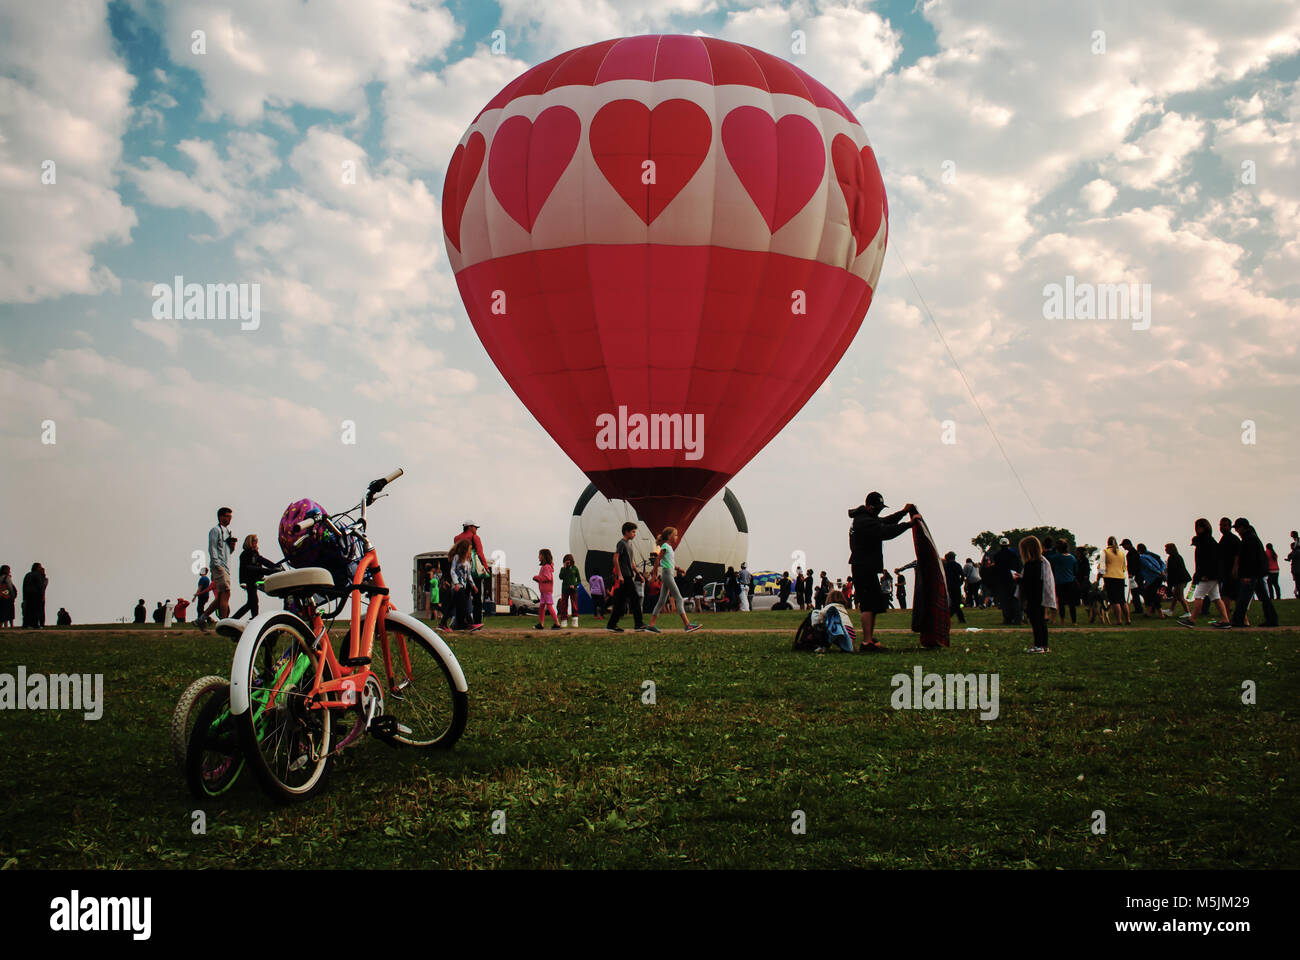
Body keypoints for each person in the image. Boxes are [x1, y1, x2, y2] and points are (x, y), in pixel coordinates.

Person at [847, 491, 917, 652]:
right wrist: (909, 524)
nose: (879, 511)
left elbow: (885, 522)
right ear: (869, 506)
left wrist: (903, 512)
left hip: (866, 566)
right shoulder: (863, 521)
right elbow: (885, 531)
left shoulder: (866, 518)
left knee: (873, 604)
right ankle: (866, 642)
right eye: (877, 508)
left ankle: (869, 640)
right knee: (867, 605)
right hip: (862, 566)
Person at [1225, 518, 1279, 629]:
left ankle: (1238, 620)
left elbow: (1249, 560)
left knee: (1244, 597)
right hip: (1258, 573)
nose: (1236, 531)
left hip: (1251, 574)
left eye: (1238, 528)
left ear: (1243, 527)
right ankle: (1272, 619)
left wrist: (1246, 575)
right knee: (1263, 597)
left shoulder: (1248, 540)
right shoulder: (1252, 537)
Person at [647, 527, 701, 632]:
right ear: (669, 536)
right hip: (667, 574)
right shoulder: (665, 546)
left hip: (668, 573)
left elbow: (669, 562)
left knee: (661, 601)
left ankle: (651, 625)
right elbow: (658, 559)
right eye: (675, 535)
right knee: (679, 599)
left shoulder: (669, 547)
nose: (677, 537)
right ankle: (687, 625)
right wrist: (654, 575)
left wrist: (679, 569)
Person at [1179, 518, 1229, 628]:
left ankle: (1192, 620)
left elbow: (1207, 560)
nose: (1197, 529)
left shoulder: (1205, 542)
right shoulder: (1209, 540)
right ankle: (1225, 620)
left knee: (1198, 596)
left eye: (1198, 526)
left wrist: (1204, 574)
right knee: (1216, 598)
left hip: (1208, 575)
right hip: (1213, 574)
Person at [1017, 535, 1055, 653]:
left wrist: (1018, 579)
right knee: (1041, 621)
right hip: (1040, 595)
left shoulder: (1030, 565)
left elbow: (1028, 582)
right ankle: (1044, 645)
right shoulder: (1042, 562)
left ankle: (1038, 644)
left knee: (1035, 621)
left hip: (1033, 596)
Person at [606, 522, 646, 633]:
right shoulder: (621, 543)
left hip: (629, 575)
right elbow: (615, 559)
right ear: (627, 531)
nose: (634, 534)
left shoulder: (630, 544)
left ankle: (611, 624)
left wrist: (639, 574)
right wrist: (619, 574)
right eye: (633, 532)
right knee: (635, 599)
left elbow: (631, 562)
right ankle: (638, 624)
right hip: (624, 577)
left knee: (620, 602)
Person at [233, 534, 279, 620]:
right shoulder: (247, 554)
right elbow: (252, 568)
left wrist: (275, 566)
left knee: (252, 602)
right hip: (250, 581)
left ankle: (250, 618)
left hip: (254, 580)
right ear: (251, 542)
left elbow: (263, 561)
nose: (256, 544)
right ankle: (251, 619)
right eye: (255, 541)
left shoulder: (254, 554)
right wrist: (271, 571)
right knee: (252, 601)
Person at [453, 521, 490, 625]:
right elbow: (480, 553)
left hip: (460, 572)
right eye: (475, 528)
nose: (476, 530)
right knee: (477, 597)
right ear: (470, 527)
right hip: (473, 572)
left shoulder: (456, 538)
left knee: (463, 597)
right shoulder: (475, 537)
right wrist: (486, 567)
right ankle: (477, 621)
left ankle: (462, 621)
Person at [993, 537, 1022, 625]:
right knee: (1015, 600)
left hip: (1002, 580)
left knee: (1005, 601)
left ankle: (1007, 619)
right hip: (1013, 579)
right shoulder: (1014, 555)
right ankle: (1017, 619)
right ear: (1008, 544)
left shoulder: (997, 556)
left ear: (1000, 545)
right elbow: (1018, 566)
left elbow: (996, 569)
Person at [1102, 536, 1130, 625]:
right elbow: (1123, 568)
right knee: (1122, 600)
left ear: (1108, 543)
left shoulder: (1105, 552)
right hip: (1120, 577)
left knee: (1114, 600)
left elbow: (1102, 568)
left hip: (1110, 577)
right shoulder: (1121, 553)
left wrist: (1099, 577)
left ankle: (1119, 620)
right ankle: (1128, 619)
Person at [1048, 538, 1078, 624]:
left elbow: (1048, 558)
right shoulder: (1072, 558)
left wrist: (1053, 549)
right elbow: (1075, 570)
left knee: (1061, 602)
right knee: (1071, 603)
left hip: (1059, 582)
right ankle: (1074, 621)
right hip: (1070, 581)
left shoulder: (1057, 557)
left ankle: (1062, 620)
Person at [1217, 518, 1242, 620]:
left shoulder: (1233, 539)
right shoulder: (1223, 539)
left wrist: (1235, 568)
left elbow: (1238, 555)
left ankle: (1229, 617)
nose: (1223, 527)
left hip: (1231, 571)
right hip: (1225, 571)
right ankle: (1230, 617)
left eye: (1225, 525)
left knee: (1229, 595)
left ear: (1229, 526)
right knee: (1227, 595)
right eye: (1222, 525)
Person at [1135, 543, 1166, 618]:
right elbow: (1162, 563)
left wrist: (1159, 572)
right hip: (1157, 577)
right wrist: (1161, 571)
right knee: (1149, 594)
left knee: (1153, 595)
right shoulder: (1151, 556)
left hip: (1153, 578)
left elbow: (1150, 566)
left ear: (1138, 550)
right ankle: (1149, 613)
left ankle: (1161, 614)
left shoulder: (1142, 558)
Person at [1163, 542, 1191, 617]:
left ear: (1170, 549)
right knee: (1175, 596)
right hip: (1182, 578)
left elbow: (1172, 572)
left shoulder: (1172, 558)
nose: (1165, 550)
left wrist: (1170, 584)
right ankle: (1170, 610)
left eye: (1166, 549)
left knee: (1180, 596)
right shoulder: (1178, 556)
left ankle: (1188, 612)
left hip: (1179, 579)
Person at [1120, 539, 1144, 616]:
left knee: (1139, 591)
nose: (1123, 547)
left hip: (1136, 576)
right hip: (1134, 575)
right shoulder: (1131, 553)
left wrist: (1132, 574)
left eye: (1124, 545)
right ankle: (1138, 608)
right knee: (1135, 592)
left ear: (1128, 544)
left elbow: (1135, 565)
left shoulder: (1132, 553)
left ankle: (1145, 606)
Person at [557, 554, 581, 627]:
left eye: (568, 561)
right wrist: (564, 568)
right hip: (565, 589)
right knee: (564, 604)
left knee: (574, 604)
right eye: (566, 561)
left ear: (571, 561)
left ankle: (575, 619)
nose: (567, 563)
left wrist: (575, 585)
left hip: (573, 589)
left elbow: (579, 580)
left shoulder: (575, 568)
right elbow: (560, 577)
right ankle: (564, 620)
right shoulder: (563, 569)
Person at [21, 562, 48, 629]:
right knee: (36, 610)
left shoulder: (28, 575)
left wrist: (24, 596)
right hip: (36, 594)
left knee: (28, 610)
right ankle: (35, 624)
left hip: (28, 594)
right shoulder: (38, 575)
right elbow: (41, 586)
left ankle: (26, 624)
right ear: (37, 568)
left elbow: (24, 586)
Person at [943, 551, 966, 624]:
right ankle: (958, 618)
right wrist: (961, 582)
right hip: (956, 585)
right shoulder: (957, 565)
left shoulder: (946, 566)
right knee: (956, 603)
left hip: (949, 586)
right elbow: (962, 574)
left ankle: (950, 617)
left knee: (954, 603)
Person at [1288, 531, 1300, 599]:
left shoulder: (1296, 543)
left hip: (1296, 568)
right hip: (1296, 567)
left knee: (1297, 581)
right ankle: (1296, 593)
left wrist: (1289, 557)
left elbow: (1294, 552)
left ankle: (1297, 593)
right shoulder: (1297, 541)